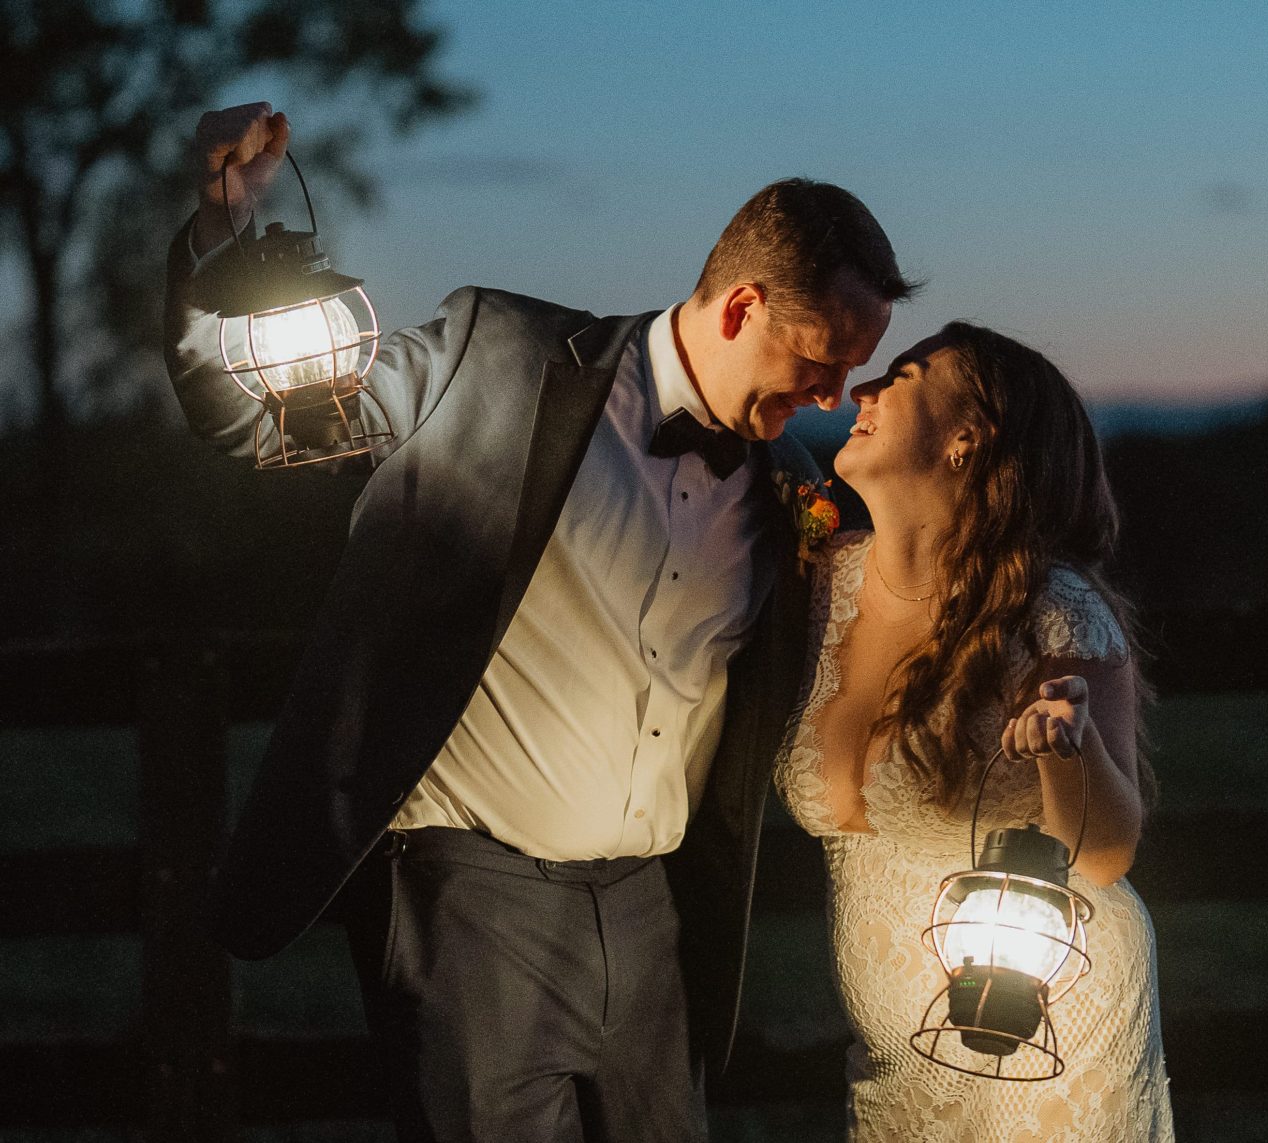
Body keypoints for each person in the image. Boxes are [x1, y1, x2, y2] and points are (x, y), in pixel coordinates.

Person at [164, 102, 917, 1142]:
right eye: (820, 363)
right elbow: (252, 418)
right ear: (742, 308)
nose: (832, 398)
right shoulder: (496, 357)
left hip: (655, 910)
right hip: (473, 901)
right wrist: (222, 236)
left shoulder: (788, 483)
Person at [773, 322, 1174, 1140]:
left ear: (968, 436)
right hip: (898, 1051)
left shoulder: (1052, 608)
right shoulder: (817, 584)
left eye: (901, 376)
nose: (861, 389)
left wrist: (1069, 749)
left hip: (1052, 1033)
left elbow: (1104, 855)